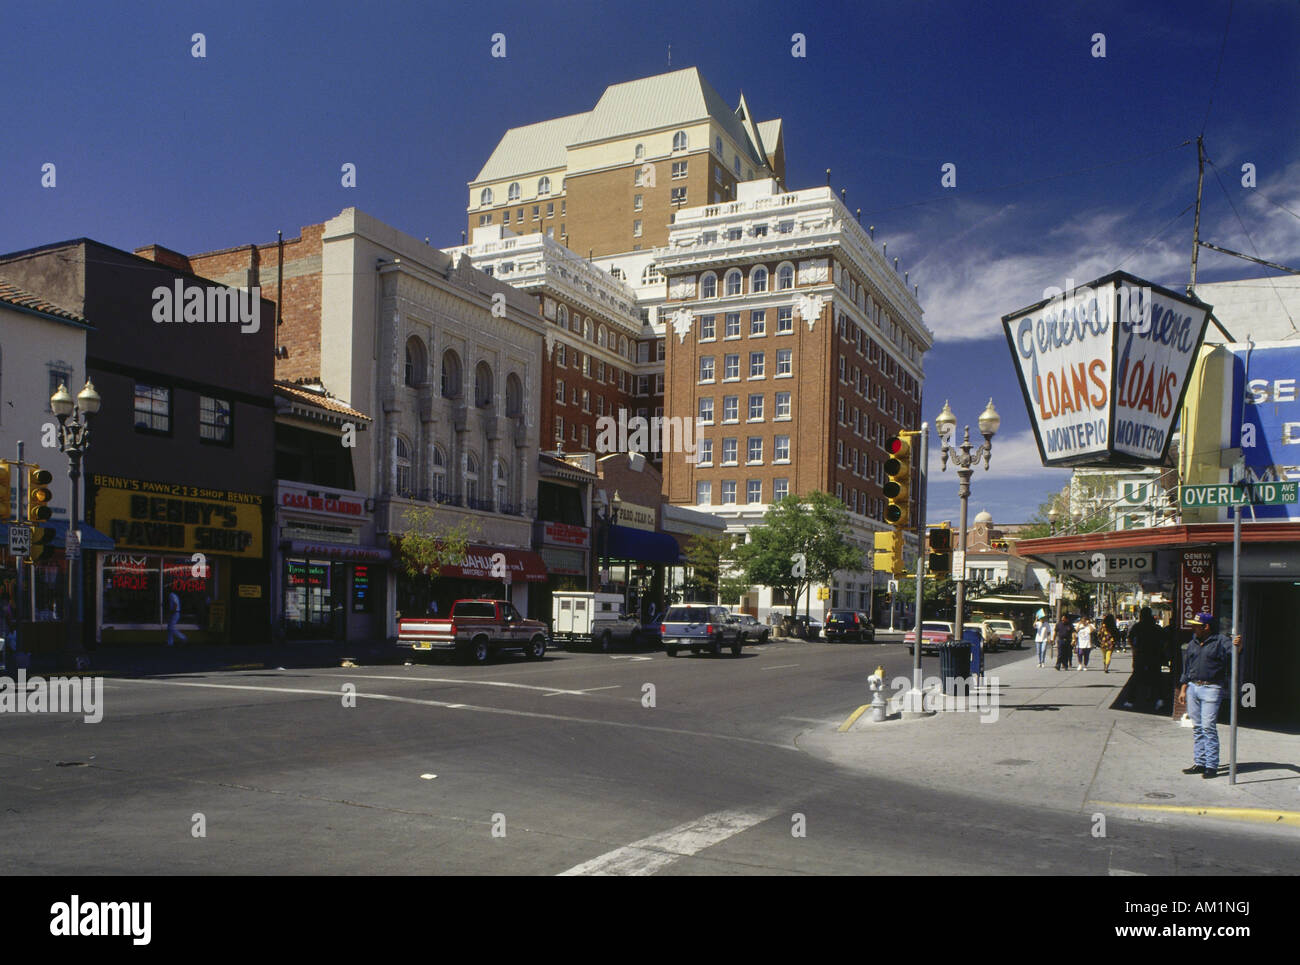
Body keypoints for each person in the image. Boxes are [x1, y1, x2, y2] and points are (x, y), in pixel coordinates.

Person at [1178, 612, 1244, 779]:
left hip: (1211, 688)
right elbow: (1188, 667)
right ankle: (1200, 762)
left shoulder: (1221, 641)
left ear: (1206, 627)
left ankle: (1211, 765)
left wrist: (1239, 646)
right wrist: (1184, 688)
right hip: (1193, 687)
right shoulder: (1193, 642)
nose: (1193, 627)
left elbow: (1235, 654)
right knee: (1198, 727)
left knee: (1208, 727)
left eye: (1196, 625)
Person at [1126, 607, 1165, 710]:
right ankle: (1159, 698)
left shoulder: (1138, 626)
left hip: (1141, 654)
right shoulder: (1156, 627)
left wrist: (1134, 649)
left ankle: (1130, 700)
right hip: (1154, 655)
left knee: (1136, 677)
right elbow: (1163, 640)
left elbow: (1130, 638)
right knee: (1156, 677)